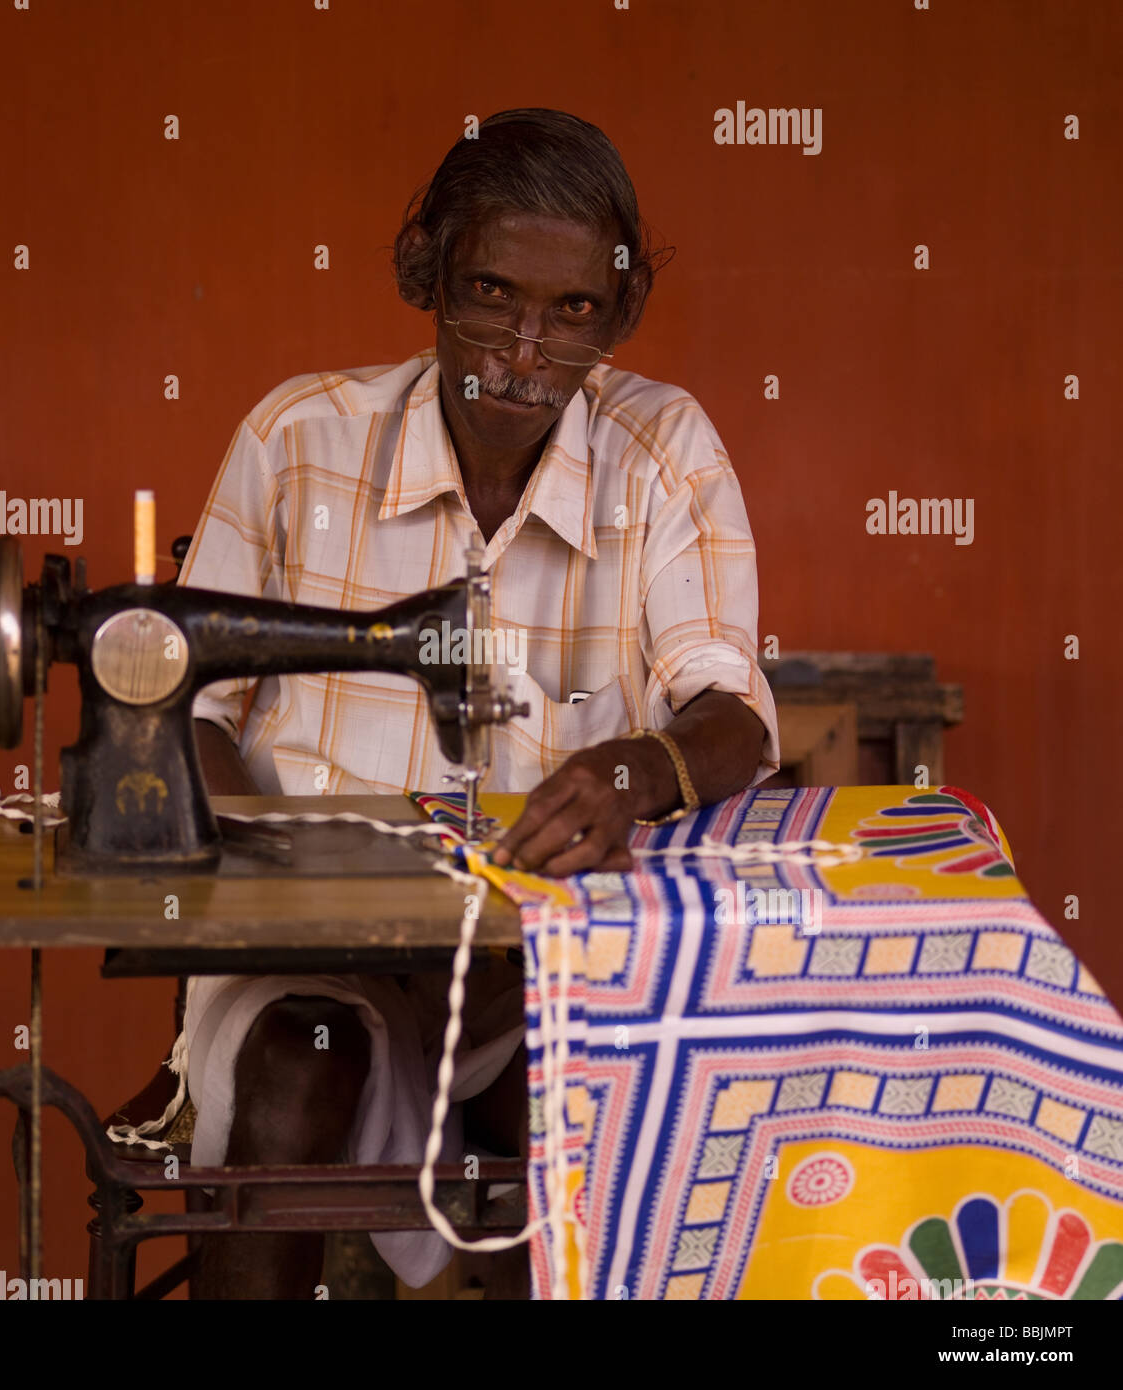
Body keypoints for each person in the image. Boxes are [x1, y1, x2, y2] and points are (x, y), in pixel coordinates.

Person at [178, 108, 780, 1298]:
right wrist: (258, 868)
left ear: (616, 317)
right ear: (429, 276)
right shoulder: (299, 440)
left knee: (611, 1106)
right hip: (305, 956)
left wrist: (630, 772)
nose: (521, 350)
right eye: (491, 294)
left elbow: (732, 712)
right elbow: (188, 700)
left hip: (529, 959)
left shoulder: (662, 453)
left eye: (573, 315)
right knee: (306, 1059)